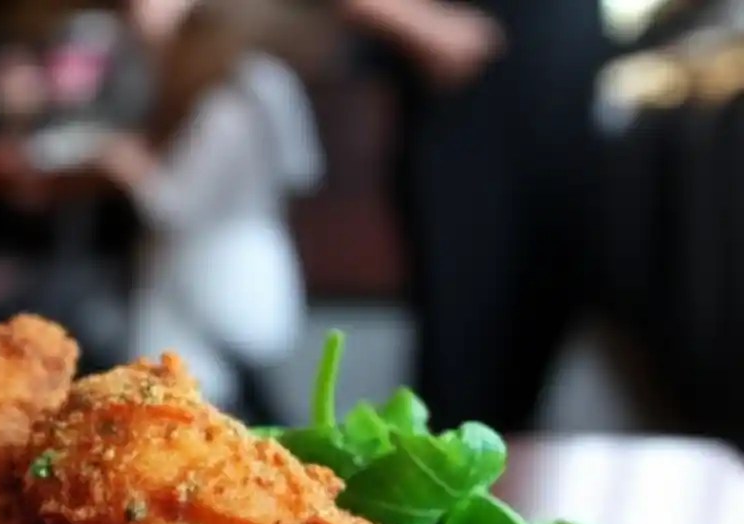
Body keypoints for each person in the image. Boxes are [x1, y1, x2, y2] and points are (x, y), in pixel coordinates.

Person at [344, 0, 611, 432]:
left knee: (533, 345)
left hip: (564, 102)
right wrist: (419, 22)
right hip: (473, 112)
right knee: (466, 362)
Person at [98, 0, 323, 421]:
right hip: (264, 257)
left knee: (195, 400)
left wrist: (129, 165)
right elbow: (303, 169)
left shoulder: (225, 103)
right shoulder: (271, 80)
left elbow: (172, 206)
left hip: (210, 268)